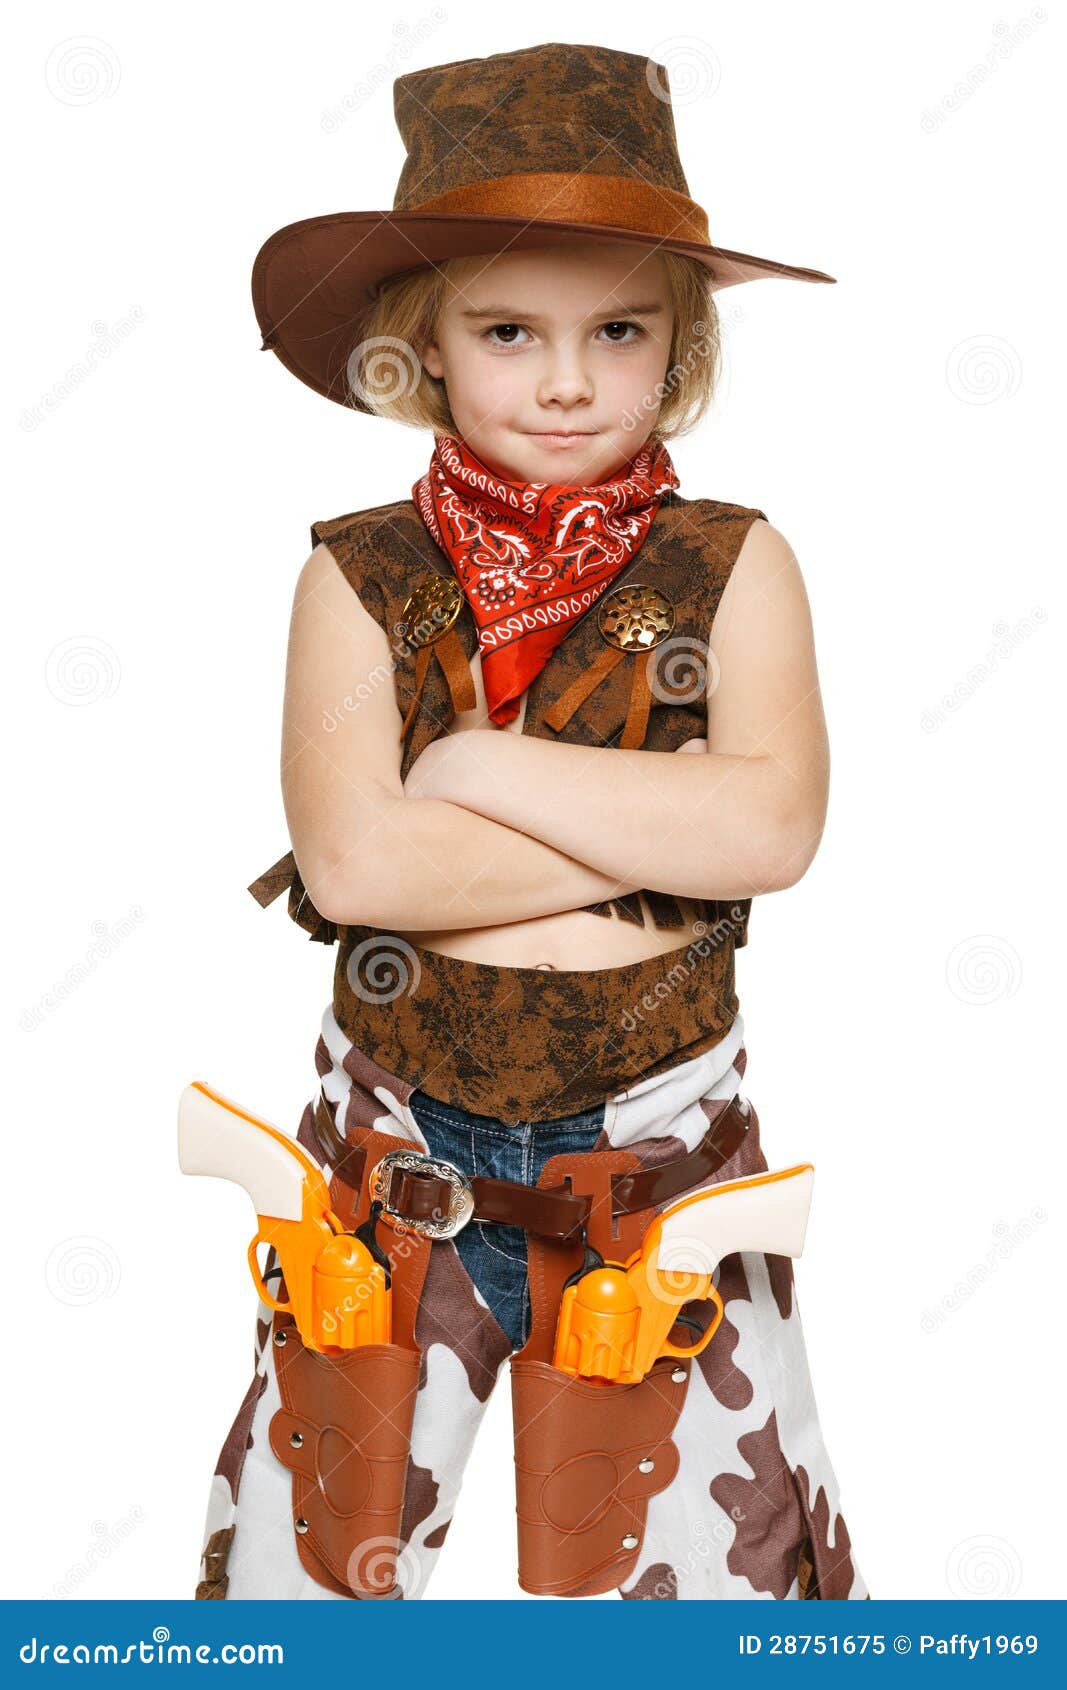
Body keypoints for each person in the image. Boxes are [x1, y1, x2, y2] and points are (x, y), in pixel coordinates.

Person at [193, 41, 867, 1603]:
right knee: (299, 1583)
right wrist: (660, 835)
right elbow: (360, 866)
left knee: (722, 1597)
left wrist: (477, 769)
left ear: (676, 346)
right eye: (510, 331)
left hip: (659, 1165)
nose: (566, 380)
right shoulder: (356, 578)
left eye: (617, 331)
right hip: (393, 1165)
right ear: (420, 350)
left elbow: (773, 830)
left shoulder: (733, 566)